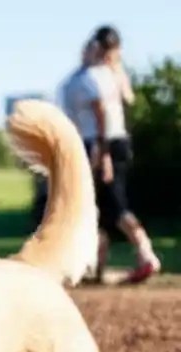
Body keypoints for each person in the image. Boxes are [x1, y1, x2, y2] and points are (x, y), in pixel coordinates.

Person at [64, 26, 161, 284]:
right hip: (108, 141)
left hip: (100, 143)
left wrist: (102, 152)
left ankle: (146, 254)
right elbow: (127, 99)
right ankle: (95, 267)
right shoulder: (108, 74)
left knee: (114, 205)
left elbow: (101, 114)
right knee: (100, 208)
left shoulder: (93, 77)